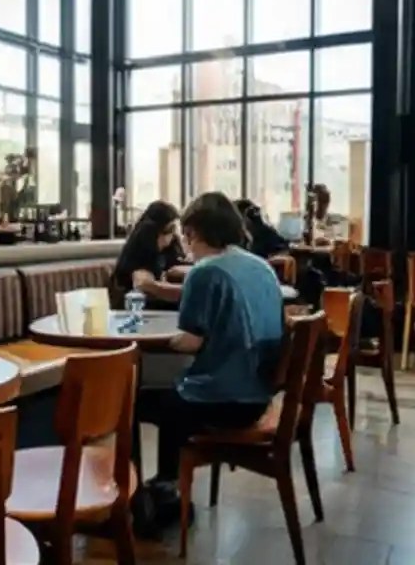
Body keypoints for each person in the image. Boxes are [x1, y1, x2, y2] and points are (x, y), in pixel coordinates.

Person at [138, 192, 285, 489]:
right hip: (259, 395)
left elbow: (190, 343)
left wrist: (157, 341)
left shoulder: (204, 272)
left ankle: (162, 486)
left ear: (193, 232)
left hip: (223, 399)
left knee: (139, 401)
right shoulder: (262, 267)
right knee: (172, 396)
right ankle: (168, 481)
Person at [112, 201, 183, 306]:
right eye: (170, 229)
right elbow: (146, 285)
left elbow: (175, 266)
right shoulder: (139, 256)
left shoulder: (166, 251)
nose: (174, 235)